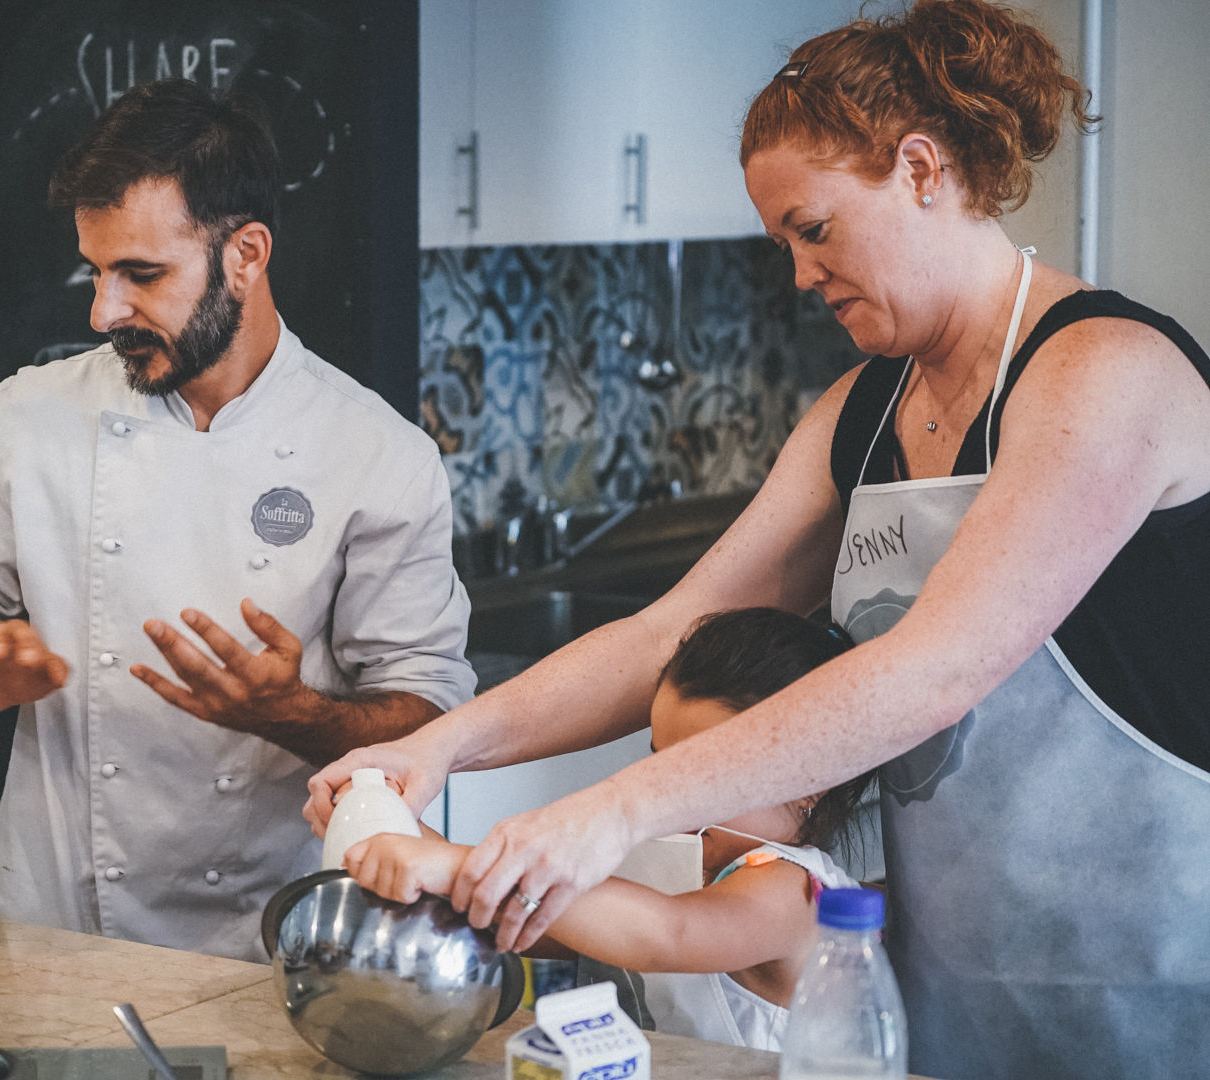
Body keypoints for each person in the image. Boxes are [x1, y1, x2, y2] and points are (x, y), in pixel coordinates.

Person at [307, 2, 1210, 1075]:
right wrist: (438, 748)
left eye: (812, 229)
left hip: (1151, 973)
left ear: (921, 170)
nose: (798, 274)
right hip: (936, 982)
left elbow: (935, 670)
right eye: (784, 242)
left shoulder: (1104, 371)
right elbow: (676, 631)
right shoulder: (862, 412)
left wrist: (608, 814)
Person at [0, 78, 475, 962]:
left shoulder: (376, 455)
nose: (103, 313)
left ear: (246, 253)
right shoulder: (31, 415)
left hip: (263, 933)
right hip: (47, 915)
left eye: (142, 275)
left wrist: (290, 714)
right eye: (96, 272)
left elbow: (426, 713)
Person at [345, 608, 870, 1051]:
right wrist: (400, 829)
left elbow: (667, 935)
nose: (671, 797)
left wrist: (454, 864)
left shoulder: (793, 893)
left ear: (810, 781)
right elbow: (540, 921)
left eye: (706, 772)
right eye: (660, 766)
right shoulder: (676, 862)